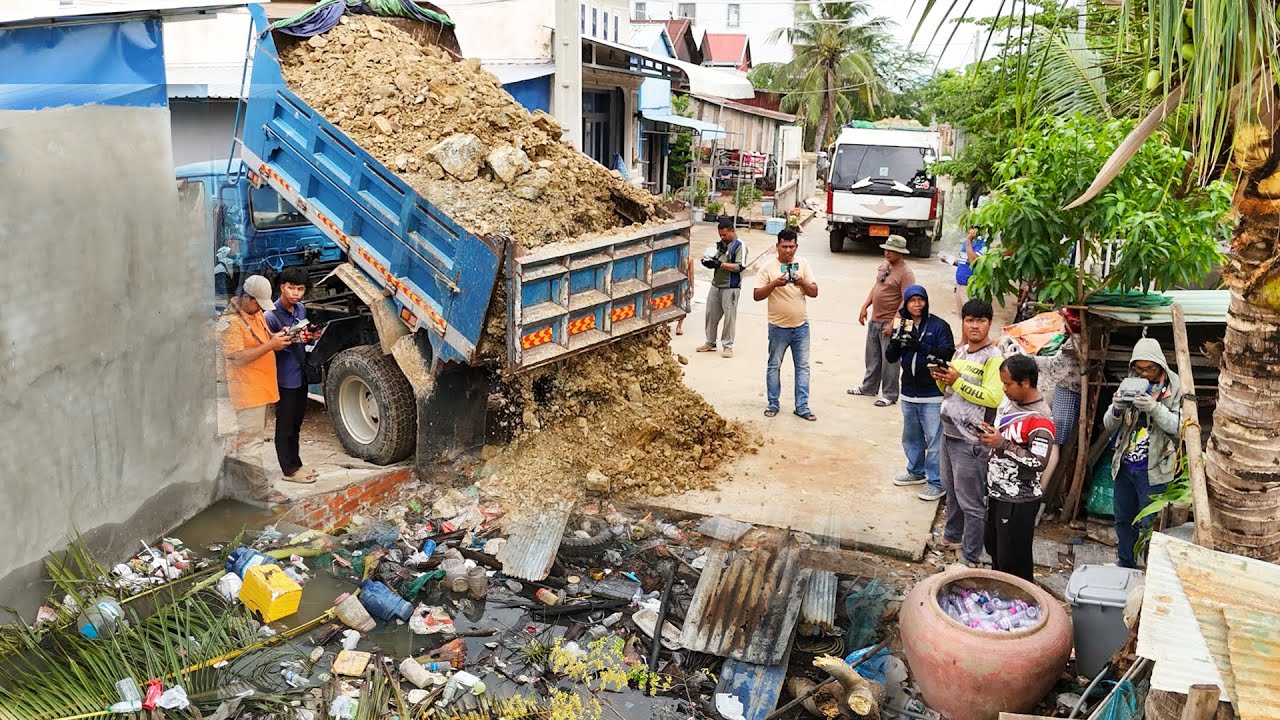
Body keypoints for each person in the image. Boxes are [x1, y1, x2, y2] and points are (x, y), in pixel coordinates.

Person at [933, 299, 1005, 566]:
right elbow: (951, 393)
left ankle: (970, 556)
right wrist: (943, 382)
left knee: (972, 502)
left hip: (971, 440)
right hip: (949, 432)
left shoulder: (993, 358)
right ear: (963, 322)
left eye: (981, 320)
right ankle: (952, 537)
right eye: (970, 320)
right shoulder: (960, 352)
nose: (974, 325)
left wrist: (958, 381)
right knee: (951, 490)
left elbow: (993, 398)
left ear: (989, 323)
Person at [1102, 338, 1182, 568]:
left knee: (1150, 524)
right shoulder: (1130, 383)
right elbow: (1109, 424)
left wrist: (1155, 408)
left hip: (1156, 468)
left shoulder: (1175, 387)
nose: (1145, 373)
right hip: (1126, 465)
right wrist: (1117, 407)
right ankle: (1125, 563)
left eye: (1149, 368)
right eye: (1140, 368)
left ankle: (1150, 570)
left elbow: (1180, 427)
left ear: (1160, 365)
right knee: (1123, 519)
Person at [977, 354, 1055, 583]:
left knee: (1013, 563)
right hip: (997, 495)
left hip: (1018, 502)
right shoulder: (1011, 405)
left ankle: (1020, 608)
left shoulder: (1041, 418)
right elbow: (1007, 439)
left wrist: (1003, 444)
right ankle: (1001, 600)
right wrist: (991, 435)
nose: (1004, 389)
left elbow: (1038, 461)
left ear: (1025, 383)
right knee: (995, 552)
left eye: (1008, 384)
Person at [218, 274, 291, 503]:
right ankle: (259, 495)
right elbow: (237, 358)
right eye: (258, 304)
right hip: (248, 391)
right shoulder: (229, 323)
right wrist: (271, 345)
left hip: (262, 388)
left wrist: (278, 338)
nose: (261, 309)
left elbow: (263, 339)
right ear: (246, 298)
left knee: (255, 441)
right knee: (251, 445)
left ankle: (250, 488)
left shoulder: (253, 312)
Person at [884, 285, 954, 500]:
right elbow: (891, 358)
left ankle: (936, 482)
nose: (917, 304)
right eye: (912, 300)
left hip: (932, 393)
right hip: (908, 391)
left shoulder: (939, 326)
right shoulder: (902, 324)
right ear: (905, 303)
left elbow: (947, 353)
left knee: (934, 439)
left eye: (920, 300)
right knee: (911, 437)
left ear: (926, 301)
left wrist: (920, 345)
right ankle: (915, 472)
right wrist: (895, 343)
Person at [264, 267, 322, 484]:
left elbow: (306, 340)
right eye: (291, 288)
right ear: (282, 287)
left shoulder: (301, 310)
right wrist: (282, 341)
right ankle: (288, 470)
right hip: (283, 378)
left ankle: (296, 463)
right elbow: (266, 347)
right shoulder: (270, 316)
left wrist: (310, 336)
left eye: (300, 289)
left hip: (300, 373)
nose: (296, 293)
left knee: (296, 422)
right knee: (285, 424)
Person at [754, 229, 819, 421]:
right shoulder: (767, 267)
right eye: (784, 247)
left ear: (796, 247)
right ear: (777, 247)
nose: (788, 251)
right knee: (774, 366)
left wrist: (801, 282)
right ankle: (773, 404)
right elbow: (757, 295)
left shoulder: (803, 264)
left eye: (791, 247)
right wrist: (774, 284)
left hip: (801, 327)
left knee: (803, 368)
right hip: (777, 327)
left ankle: (802, 407)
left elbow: (814, 292)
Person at [850, 234, 915, 407]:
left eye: (892, 251)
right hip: (875, 319)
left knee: (891, 360)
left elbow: (906, 301)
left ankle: (890, 394)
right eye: (886, 249)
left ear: (900, 253)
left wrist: (894, 323)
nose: (887, 253)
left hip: (892, 321)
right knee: (872, 357)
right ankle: (869, 387)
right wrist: (865, 306)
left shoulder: (906, 273)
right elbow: (877, 287)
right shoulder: (884, 267)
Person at [696, 218, 748, 358]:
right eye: (720, 235)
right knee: (711, 315)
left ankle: (727, 346)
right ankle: (710, 342)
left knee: (729, 318)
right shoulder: (722, 245)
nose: (722, 237)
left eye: (725, 235)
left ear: (732, 231)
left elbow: (739, 266)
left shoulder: (739, 246)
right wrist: (709, 261)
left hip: (730, 287)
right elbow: (716, 258)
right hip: (716, 284)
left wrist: (720, 265)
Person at [952, 227, 986, 316]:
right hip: (959, 284)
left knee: (971, 315)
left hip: (969, 286)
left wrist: (969, 240)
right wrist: (951, 261)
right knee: (963, 316)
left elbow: (972, 261)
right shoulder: (966, 243)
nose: (970, 231)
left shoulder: (982, 244)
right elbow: (964, 261)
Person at [675, 251, 695, 336]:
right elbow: (691, 273)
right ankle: (679, 327)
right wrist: (692, 287)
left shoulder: (675, 257)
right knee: (683, 305)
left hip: (674, 283)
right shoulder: (689, 259)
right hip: (684, 284)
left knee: (669, 304)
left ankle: (664, 326)